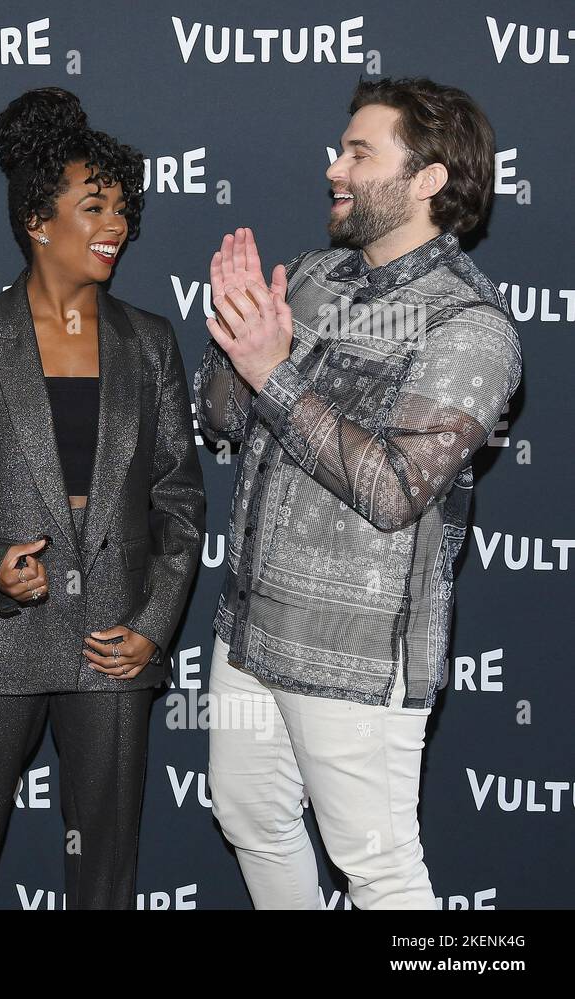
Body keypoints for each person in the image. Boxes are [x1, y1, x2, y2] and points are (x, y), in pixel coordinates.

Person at [196, 78, 523, 909]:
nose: (335, 167)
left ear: (428, 180)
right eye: (342, 149)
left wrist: (273, 371)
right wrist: (238, 341)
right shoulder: (311, 276)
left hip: (356, 657)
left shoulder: (471, 326)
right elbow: (226, 419)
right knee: (250, 817)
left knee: (377, 872)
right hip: (248, 634)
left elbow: (393, 488)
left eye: (359, 152)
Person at [0, 88, 205, 909]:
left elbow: (179, 497)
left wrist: (154, 623)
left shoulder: (149, 343)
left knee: (105, 877)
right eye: (94, 205)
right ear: (40, 221)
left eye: (122, 208)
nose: (116, 224)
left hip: (115, 641)